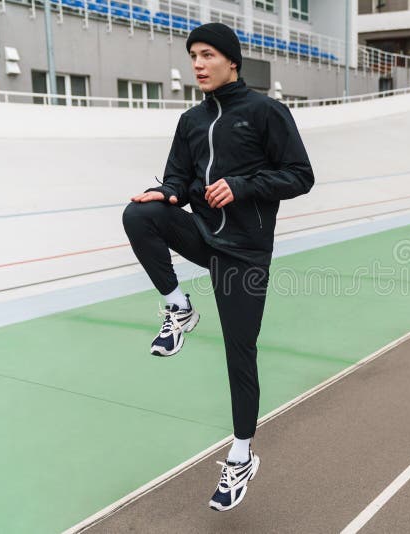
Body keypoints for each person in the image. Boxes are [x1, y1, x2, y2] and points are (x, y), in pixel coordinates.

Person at [122, 22, 314, 512]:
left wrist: (242, 186)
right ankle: (178, 308)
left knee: (239, 354)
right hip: (204, 237)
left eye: (207, 54)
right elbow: (177, 179)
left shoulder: (266, 112)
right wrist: (165, 193)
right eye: (193, 56)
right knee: (138, 214)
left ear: (232, 61)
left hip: (244, 255)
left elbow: (300, 175)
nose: (198, 64)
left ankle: (242, 454)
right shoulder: (190, 120)